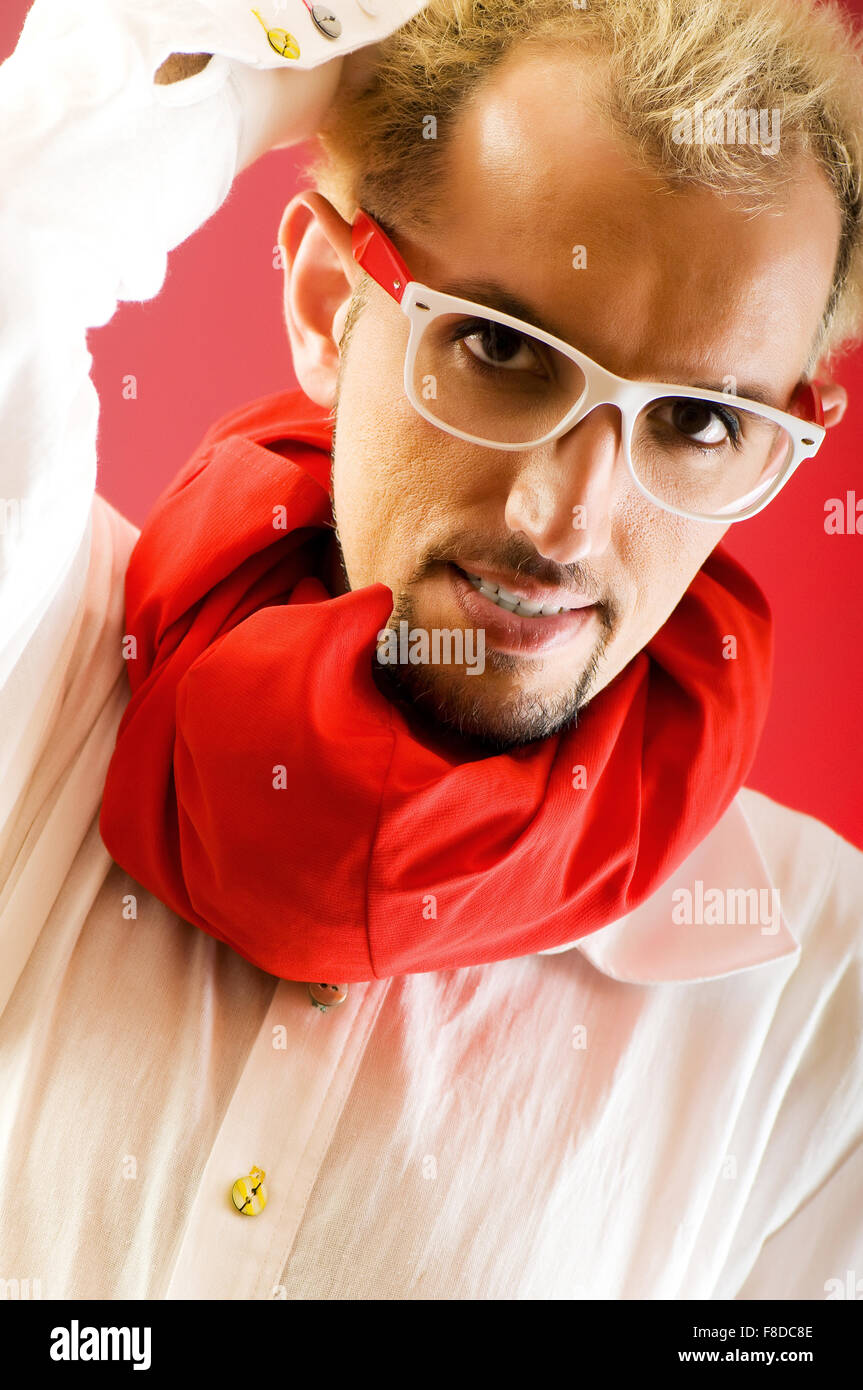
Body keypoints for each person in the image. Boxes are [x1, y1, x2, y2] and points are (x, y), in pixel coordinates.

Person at [0, 0, 861, 1302]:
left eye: (693, 422)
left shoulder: (825, 1011)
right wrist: (262, 78)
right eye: (501, 349)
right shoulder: (36, 662)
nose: (561, 518)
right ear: (326, 302)